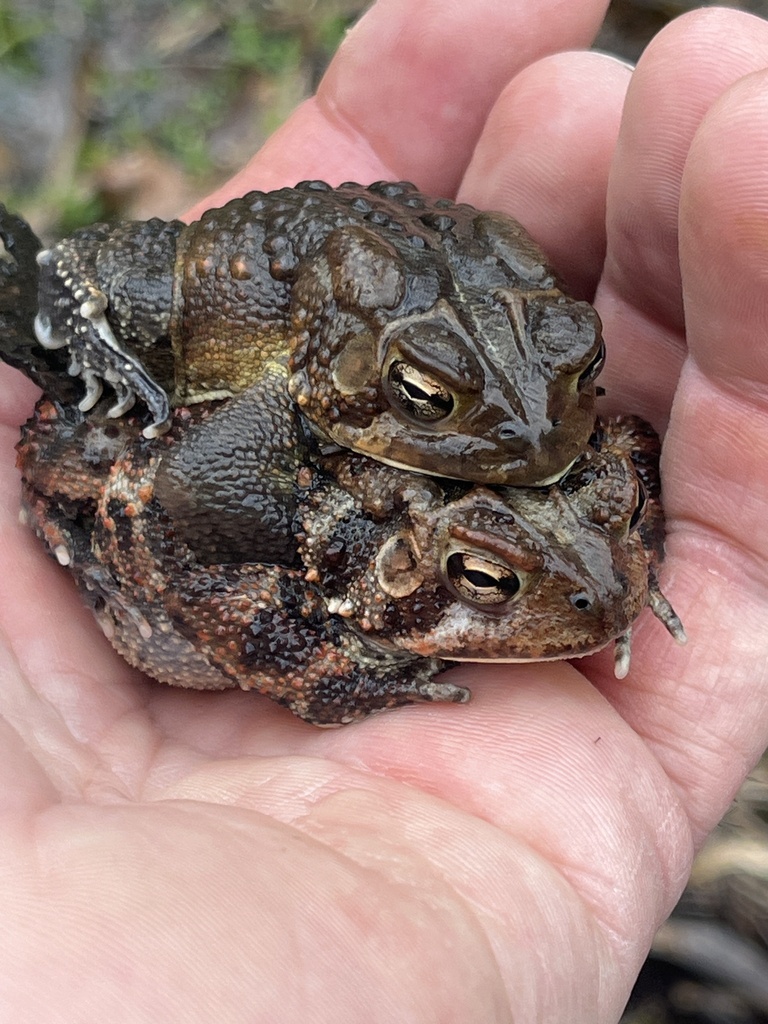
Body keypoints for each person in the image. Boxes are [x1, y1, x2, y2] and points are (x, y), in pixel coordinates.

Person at [2, 2, 767, 1020]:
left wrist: (627, 547)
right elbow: (193, 517)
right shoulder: (282, 440)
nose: (545, 444)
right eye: (486, 577)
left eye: (577, 369)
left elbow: (614, 448)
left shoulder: (534, 398)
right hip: (232, 345)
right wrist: (331, 673)